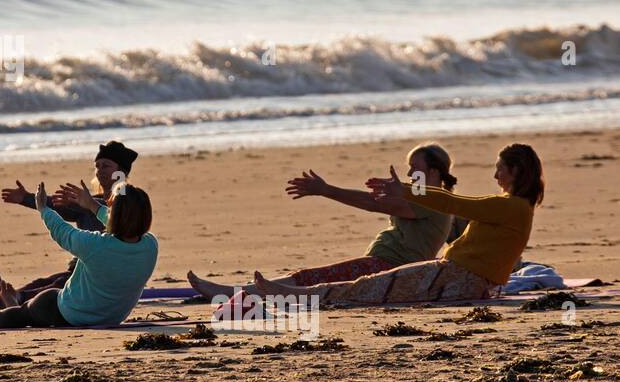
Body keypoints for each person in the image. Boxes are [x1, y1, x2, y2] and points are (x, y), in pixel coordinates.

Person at [252, 143, 543, 306]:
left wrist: (403, 190)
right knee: (371, 286)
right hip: (455, 276)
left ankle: (296, 295)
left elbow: (454, 204)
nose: (495, 175)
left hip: (456, 278)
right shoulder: (512, 207)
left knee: (371, 288)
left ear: (515, 171)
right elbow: (459, 212)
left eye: (500, 169)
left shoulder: (509, 206)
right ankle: (293, 293)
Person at [188, 143, 458, 299]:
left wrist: (326, 190)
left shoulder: (432, 199)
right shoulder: (426, 196)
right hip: (382, 264)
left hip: (388, 267)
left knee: (314, 278)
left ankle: (236, 293)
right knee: (317, 279)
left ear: (433, 172)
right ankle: (249, 291)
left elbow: (372, 203)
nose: (410, 172)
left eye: (416, 168)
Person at [0, 179, 158, 329]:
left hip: (70, 313)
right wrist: (93, 206)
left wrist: (44, 209)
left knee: (30, 310)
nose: (107, 209)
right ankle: (12, 302)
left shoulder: (95, 245)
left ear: (115, 214)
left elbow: (63, 232)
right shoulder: (150, 245)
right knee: (39, 302)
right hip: (112, 316)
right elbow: (122, 223)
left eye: (110, 206)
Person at [0, 140, 138, 307]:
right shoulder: (88, 202)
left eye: (106, 166)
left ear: (120, 172)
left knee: (60, 284)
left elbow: (115, 209)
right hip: (83, 269)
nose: (100, 170)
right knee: (48, 281)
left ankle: (18, 298)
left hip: (105, 273)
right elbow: (61, 209)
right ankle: (8, 297)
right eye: (98, 166)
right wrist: (27, 198)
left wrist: (85, 203)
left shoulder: (125, 199)